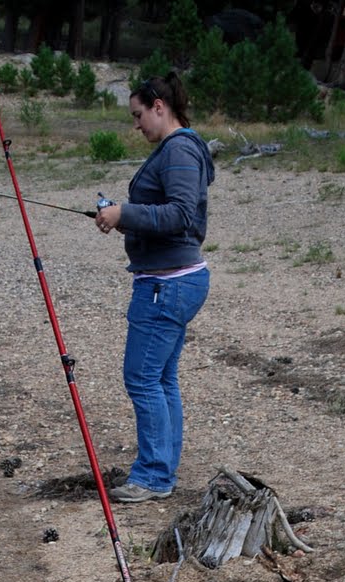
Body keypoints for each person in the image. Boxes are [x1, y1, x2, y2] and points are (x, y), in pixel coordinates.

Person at [94, 73, 214, 504]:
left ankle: (153, 476)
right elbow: (169, 212)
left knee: (143, 377)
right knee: (161, 378)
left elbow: (180, 214)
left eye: (138, 115)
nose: (136, 124)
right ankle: (161, 469)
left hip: (168, 284)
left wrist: (124, 213)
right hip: (172, 279)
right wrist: (123, 217)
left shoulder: (179, 149)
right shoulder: (179, 148)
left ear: (159, 106)